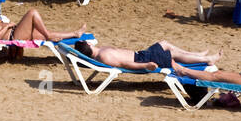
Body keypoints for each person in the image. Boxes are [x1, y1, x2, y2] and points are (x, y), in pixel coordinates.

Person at [0, 2, 85, 43]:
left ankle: (75, 34)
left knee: (44, 34)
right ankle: (48, 36)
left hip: (16, 31)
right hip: (13, 36)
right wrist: (8, 25)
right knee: (32, 12)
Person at [75, 38, 220, 70]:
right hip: (142, 59)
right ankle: (207, 60)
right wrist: (146, 65)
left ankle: (197, 54)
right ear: (88, 44)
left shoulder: (100, 51)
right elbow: (125, 64)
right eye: (86, 41)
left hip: (142, 54)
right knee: (171, 54)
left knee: (164, 43)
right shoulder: (103, 56)